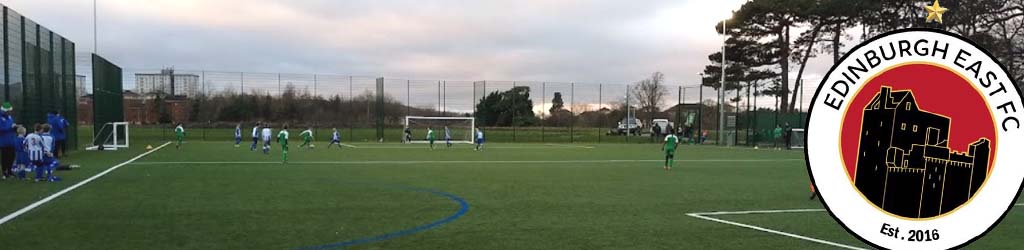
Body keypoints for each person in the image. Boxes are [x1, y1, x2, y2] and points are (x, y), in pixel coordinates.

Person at [0, 102, 15, 179]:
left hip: (11, 140)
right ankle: (4, 171)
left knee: (11, 156)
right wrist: (10, 127)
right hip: (3, 141)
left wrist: (15, 127)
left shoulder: (10, 117)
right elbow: (1, 129)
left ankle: (10, 170)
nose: (10, 112)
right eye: (8, 111)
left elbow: (12, 125)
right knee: (4, 157)